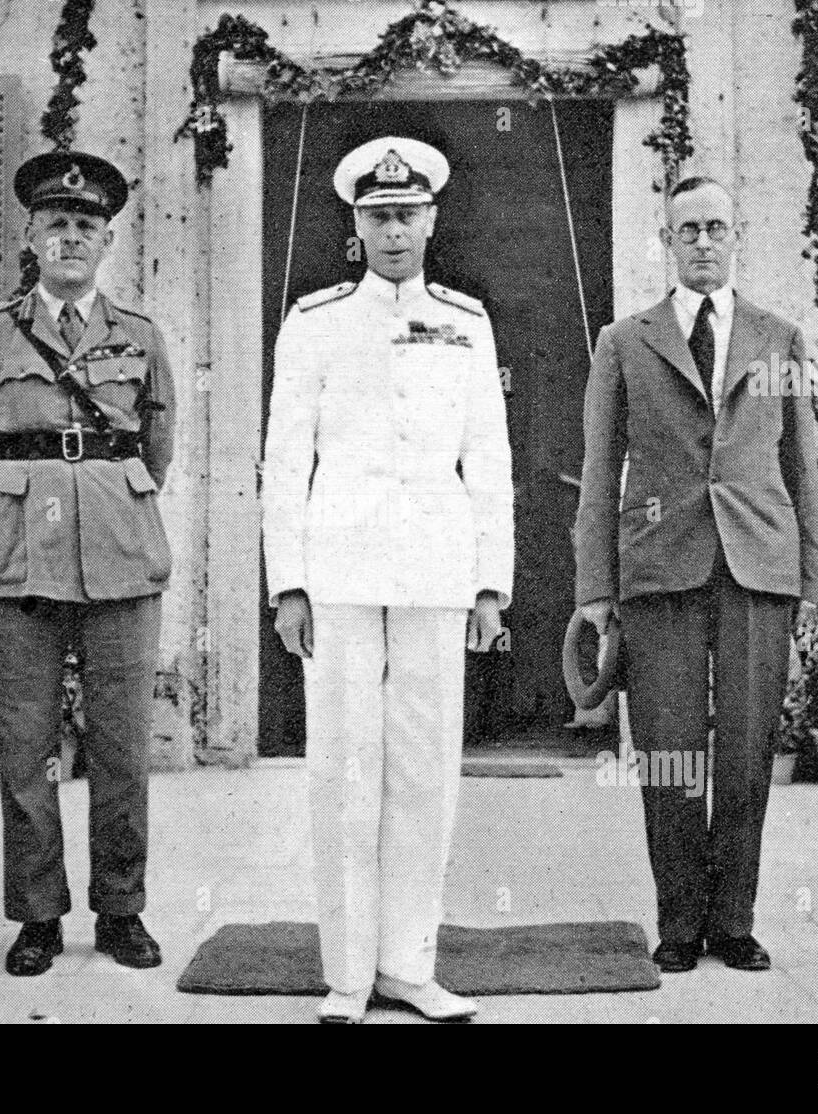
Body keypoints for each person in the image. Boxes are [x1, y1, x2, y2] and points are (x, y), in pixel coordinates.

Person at [262, 137, 515, 1023]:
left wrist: (491, 585)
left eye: (409, 214)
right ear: (356, 224)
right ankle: (346, 972)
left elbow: (488, 457)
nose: (395, 229)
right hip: (338, 570)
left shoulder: (468, 322)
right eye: (378, 216)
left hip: (437, 573)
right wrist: (287, 582)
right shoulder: (316, 320)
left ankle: (409, 962)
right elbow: (284, 459)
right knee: (342, 768)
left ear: (433, 219)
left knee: (424, 770)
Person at [574, 176, 818, 974]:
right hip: (660, 568)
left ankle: (736, 924)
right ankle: (679, 924)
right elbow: (598, 469)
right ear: (668, 242)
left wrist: (811, 582)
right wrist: (595, 589)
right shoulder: (625, 341)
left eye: (717, 227)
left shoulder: (779, 338)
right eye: (689, 231)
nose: (705, 242)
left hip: (758, 566)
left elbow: (803, 467)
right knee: (670, 749)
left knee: (748, 750)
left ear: (736, 234)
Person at [0, 150, 176, 976]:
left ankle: (121, 910)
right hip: (17, 563)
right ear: (33, 236)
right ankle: (37, 917)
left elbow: (157, 447)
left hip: (120, 558)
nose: (71, 236)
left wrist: (104, 507)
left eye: (86, 225)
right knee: (27, 748)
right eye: (56, 223)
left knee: (121, 747)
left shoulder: (141, 339)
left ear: (107, 240)